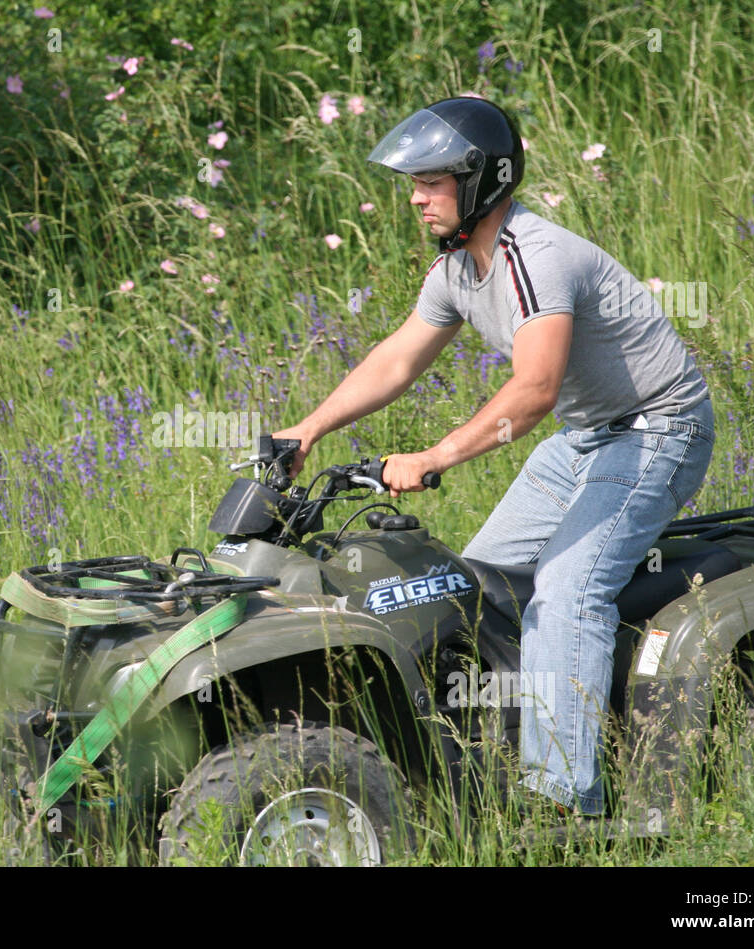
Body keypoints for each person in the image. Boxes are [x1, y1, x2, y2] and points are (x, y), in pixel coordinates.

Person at [272, 96, 714, 816]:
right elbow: (396, 360)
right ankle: (517, 746)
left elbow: (535, 389)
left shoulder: (534, 256)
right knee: (474, 589)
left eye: (432, 182)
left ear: (481, 181)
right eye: (412, 183)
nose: (415, 197)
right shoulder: (456, 269)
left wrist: (435, 455)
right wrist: (309, 428)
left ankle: (565, 801)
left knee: (567, 592)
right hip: (584, 437)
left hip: (658, 430)